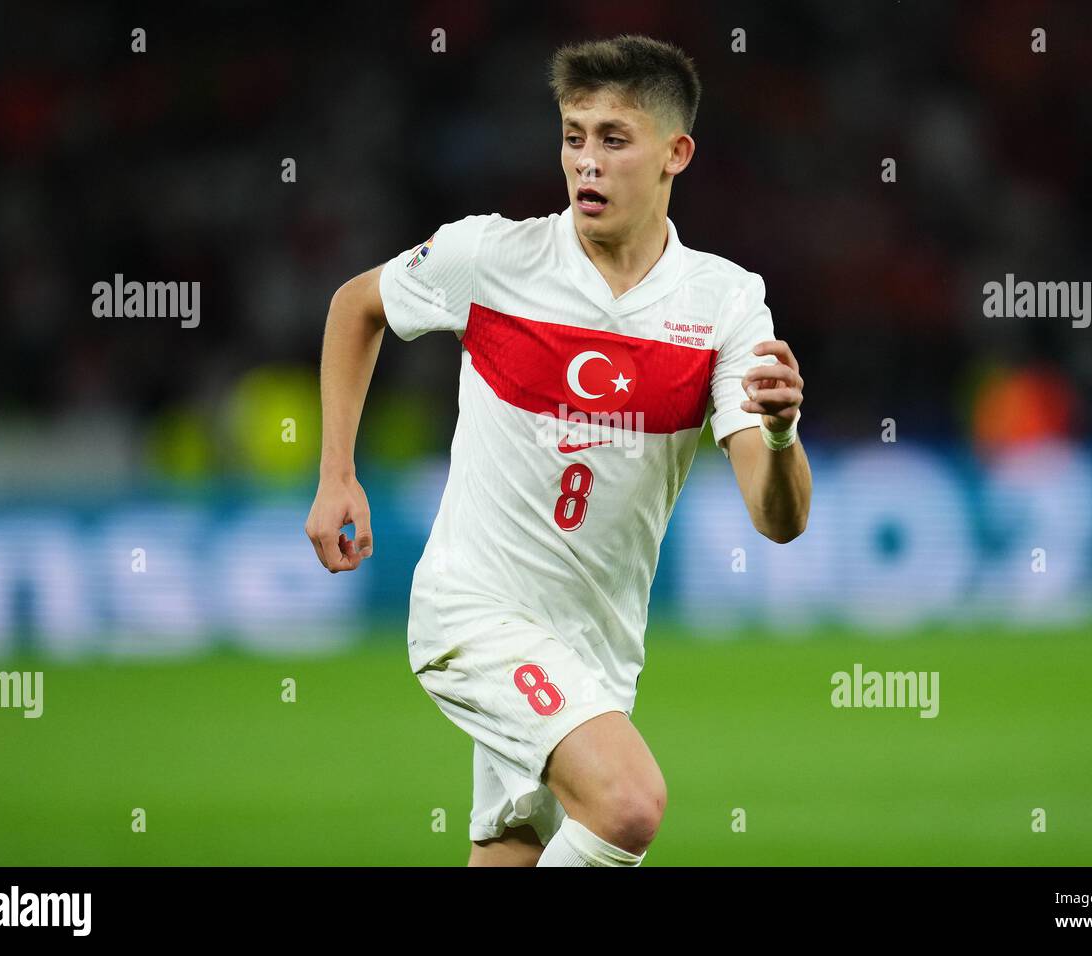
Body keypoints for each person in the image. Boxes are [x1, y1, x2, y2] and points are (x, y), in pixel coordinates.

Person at [305, 34, 811, 866]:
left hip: (596, 650)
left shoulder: (725, 305)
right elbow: (354, 305)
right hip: (473, 613)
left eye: (614, 139)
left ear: (675, 153)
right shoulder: (491, 257)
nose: (587, 162)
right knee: (629, 803)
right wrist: (336, 474)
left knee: (512, 852)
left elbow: (778, 519)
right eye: (574, 136)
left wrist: (784, 435)